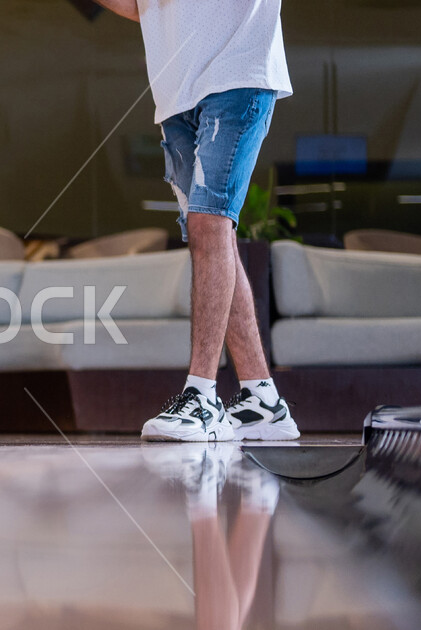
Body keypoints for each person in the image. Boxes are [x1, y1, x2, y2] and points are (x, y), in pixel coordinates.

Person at [95, 0, 300, 442]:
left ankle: (202, 396)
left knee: (210, 226)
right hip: (176, 92)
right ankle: (263, 399)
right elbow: (138, 7)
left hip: (238, 75)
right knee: (212, 235)